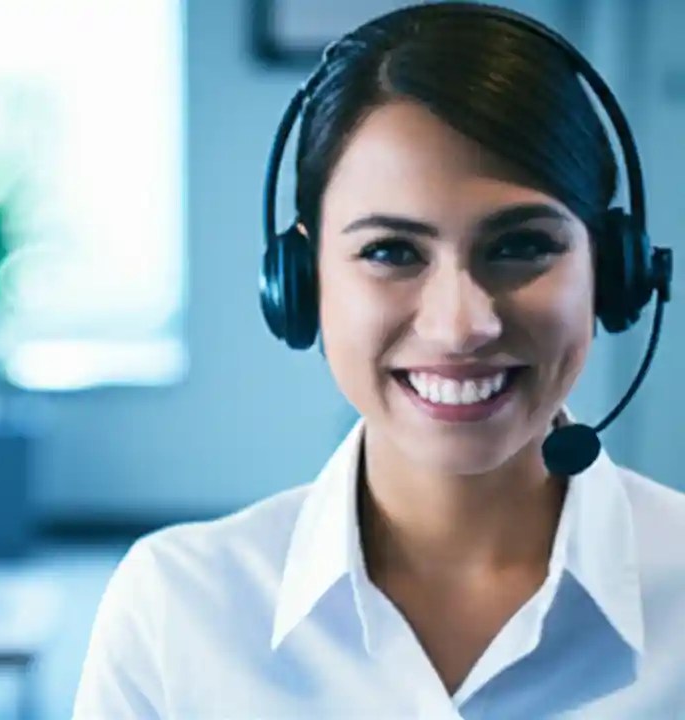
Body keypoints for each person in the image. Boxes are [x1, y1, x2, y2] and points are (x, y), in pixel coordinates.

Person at [72, 3, 685, 718]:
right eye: (391, 252)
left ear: (612, 271)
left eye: (521, 246)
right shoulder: (178, 611)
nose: (462, 325)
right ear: (300, 282)